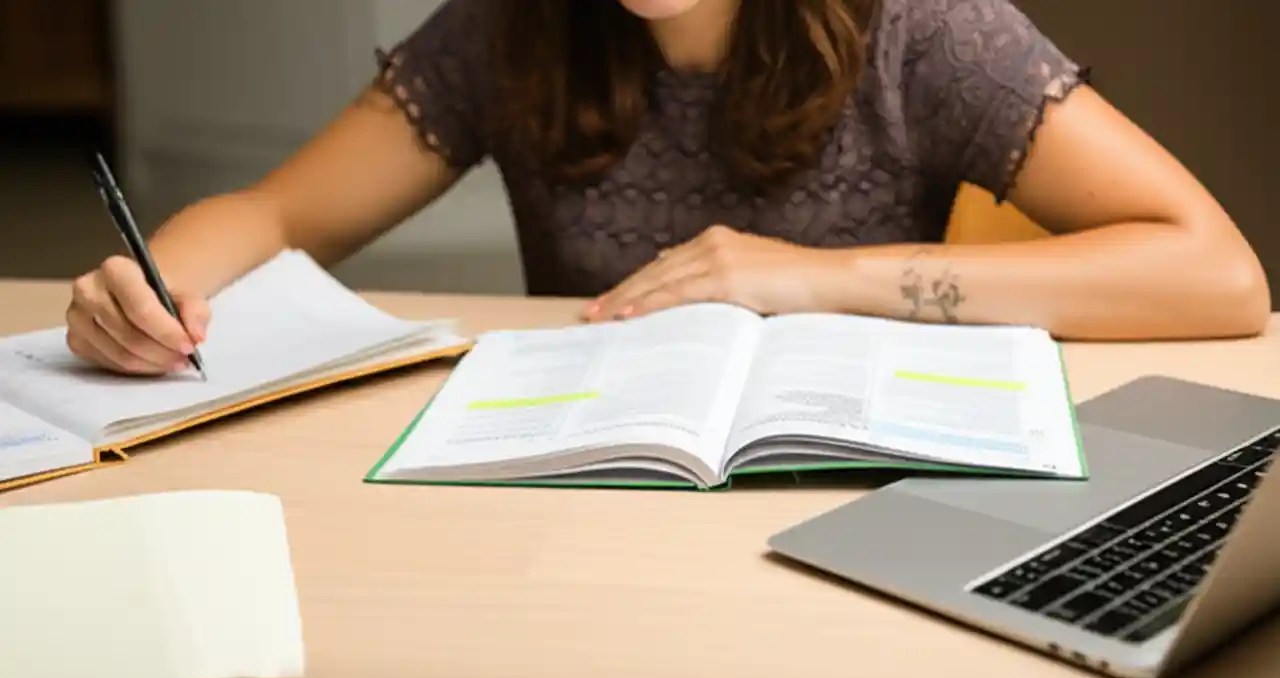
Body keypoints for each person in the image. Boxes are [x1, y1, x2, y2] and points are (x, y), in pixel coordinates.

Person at [65, 0, 1271, 376]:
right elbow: (276, 214)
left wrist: (811, 280)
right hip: (593, 488)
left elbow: (1217, 275)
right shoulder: (511, 29)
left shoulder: (922, 28)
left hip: (851, 480)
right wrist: (156, 285)